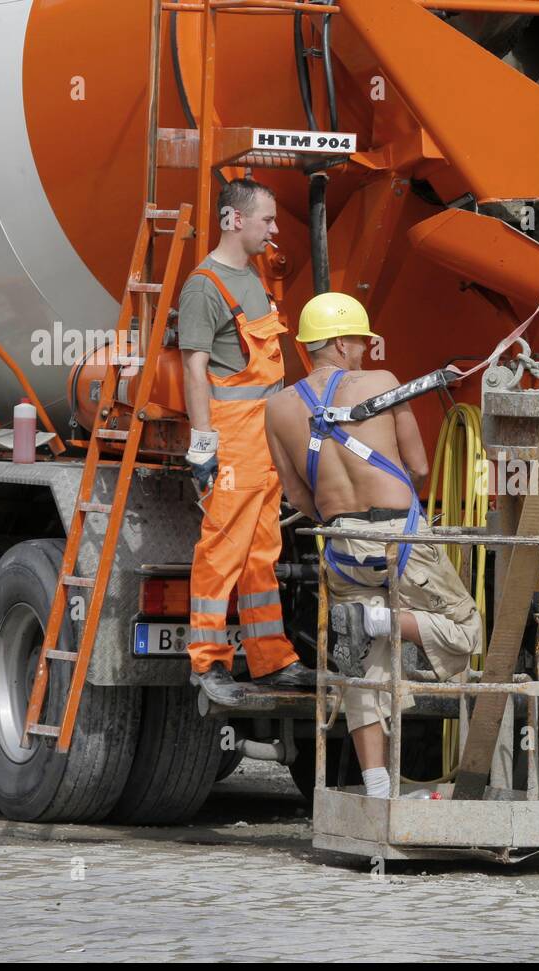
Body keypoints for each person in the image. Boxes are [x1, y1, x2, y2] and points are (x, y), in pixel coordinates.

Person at [264, 293, 482, 799]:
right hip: (401, 538)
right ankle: (383, 621)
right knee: (466, 628)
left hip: (339, 544)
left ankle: (378, 789)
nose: (364, 351)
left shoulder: (277, 407)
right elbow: (421, 467)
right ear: (341, 342)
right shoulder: (385, 385)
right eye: (360, 342)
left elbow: (296, 494)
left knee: (360, 664)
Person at [178, 177, 314, 699]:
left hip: (263, 441)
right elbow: (195, 371)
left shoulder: (253, 279)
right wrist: (203, 442)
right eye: (267, 220)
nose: (275, 230)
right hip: (231, 442)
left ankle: (270, 658)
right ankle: (207, 662)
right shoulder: (204, 287)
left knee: (261, 553)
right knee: (223, 549)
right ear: (234, 220)